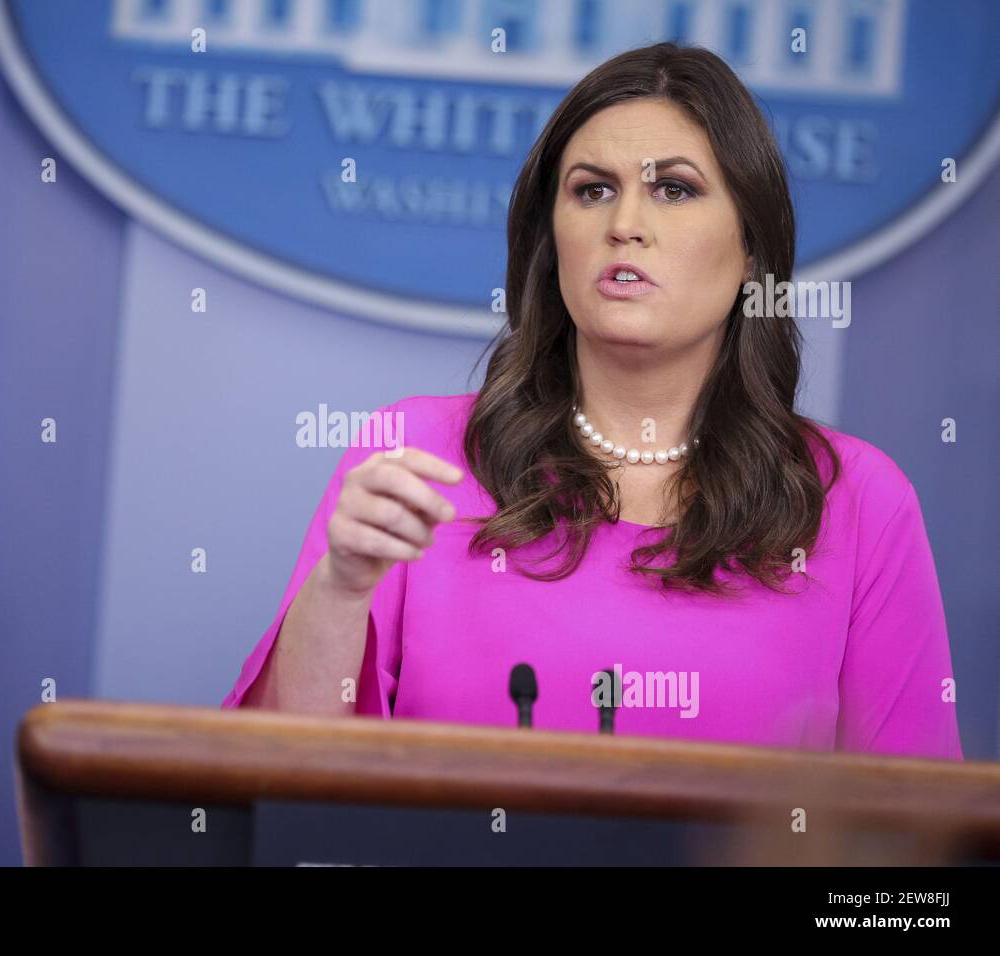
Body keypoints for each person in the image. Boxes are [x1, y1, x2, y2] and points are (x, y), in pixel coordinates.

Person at [221, 43, 962, 760]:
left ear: (750, 251)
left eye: (674, 189)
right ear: (552, 240)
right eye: (592, 189)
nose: (624, 225)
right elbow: (283, 773)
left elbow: (913, 832)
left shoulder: (858, 501)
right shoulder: (417, 456)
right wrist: (342, 589)